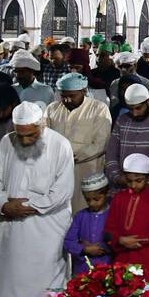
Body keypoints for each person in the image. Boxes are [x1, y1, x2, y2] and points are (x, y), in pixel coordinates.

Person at [0, 102, 75, 297]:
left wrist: (28, 206)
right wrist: (3, 204)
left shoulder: (60, 145)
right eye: (20, 135)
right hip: (9, 229)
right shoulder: (6, 141)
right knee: (4, 293)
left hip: (45, 231)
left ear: (42, 124)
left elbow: (62, 191)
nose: (24, 141)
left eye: (31, 135)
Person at [44, 72, 112, 214]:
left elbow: (101, 143)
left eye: (72, 96)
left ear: (83, 91)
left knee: (83, 210)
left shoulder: (99, 109)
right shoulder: (52, 109)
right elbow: (45, 138)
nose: (67, 100)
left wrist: (70, 156)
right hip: (56, 171)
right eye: (64, 96)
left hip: (87, 171)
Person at [105, 153, 149, 283]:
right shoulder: (119, 198)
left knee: (146, 294)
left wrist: (136, 241)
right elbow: (109, 228)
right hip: (122, 254)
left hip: (146, 254)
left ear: (148, 178)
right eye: (129, 181)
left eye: (138, 180)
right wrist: (120, 240)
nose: (133, 185)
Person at [104, 83, 149, 188]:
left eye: (138, 108)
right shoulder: (122, 120)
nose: (134, 113)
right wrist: (117, 177)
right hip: (122, 187)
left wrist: (144, 181)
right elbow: (111, 154)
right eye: (130, 109)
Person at [64, 173, 113, 270]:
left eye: (96, 199)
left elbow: (117, 241)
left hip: (107, 267)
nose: (92, 203)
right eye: (88, 200)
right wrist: (84, 249)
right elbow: (68, 242)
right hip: (83, 268)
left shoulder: (113, 214)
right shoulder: (80, 216)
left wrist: (100, 248)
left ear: (107, 193)